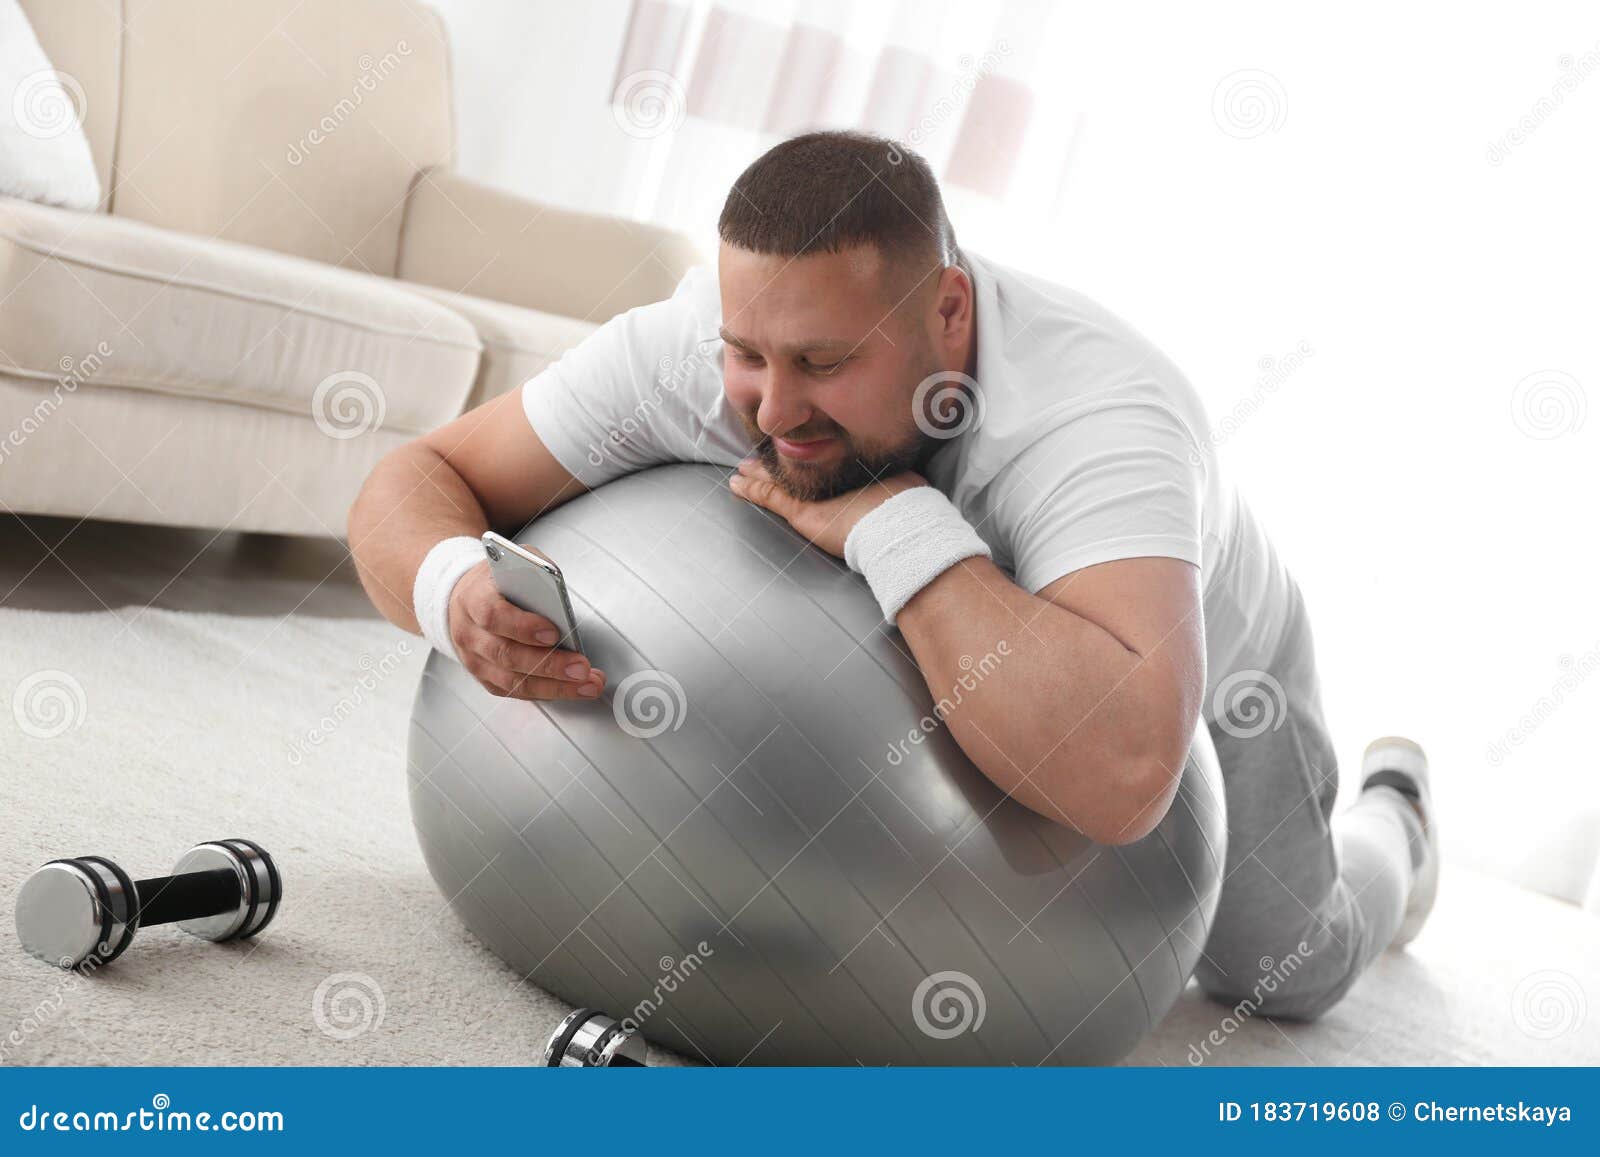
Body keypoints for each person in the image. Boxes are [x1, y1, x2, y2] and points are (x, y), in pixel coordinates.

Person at [348, 130, 1438, 1022]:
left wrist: (898, 522)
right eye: (748, 355)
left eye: (824, 362)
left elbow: (1125, 774)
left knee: (1283, 974)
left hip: (1221, 676)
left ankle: (1394, 815)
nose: (775, 409)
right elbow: (421, 475)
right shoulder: (692, 351)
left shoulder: (1102, 416)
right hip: (1027, 647)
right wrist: (450, 588)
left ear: (948, 311)